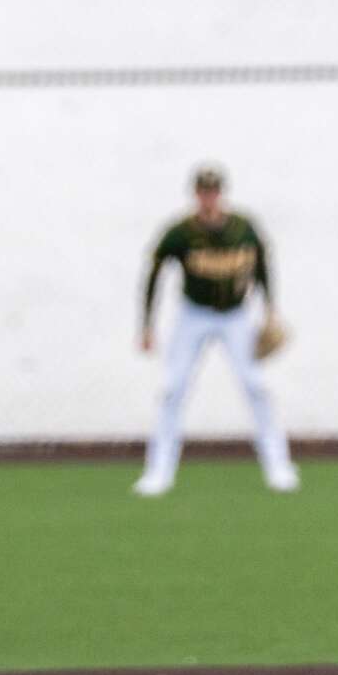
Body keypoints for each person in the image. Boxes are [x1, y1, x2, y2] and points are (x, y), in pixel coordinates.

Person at [134, 165, 297, 496]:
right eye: (203, 191)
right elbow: (154, 272)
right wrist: (148, 325)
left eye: (213, 191)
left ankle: (279, 466)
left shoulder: (242, 228)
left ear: (221, 194)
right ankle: (158, 471)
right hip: (194, 315)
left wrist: (269, 308)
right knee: (173, 388)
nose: (208, 197)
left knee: (255, 386)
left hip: (236, 316)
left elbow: (262, 263)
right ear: (196, 194)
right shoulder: (181, 232)